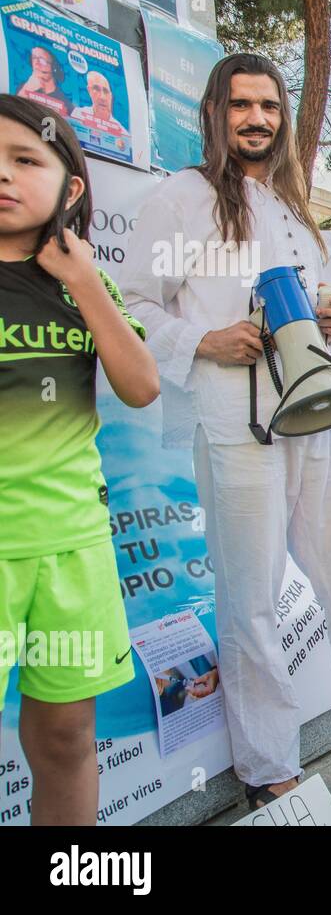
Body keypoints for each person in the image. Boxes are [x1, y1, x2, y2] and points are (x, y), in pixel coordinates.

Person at [119, 54, 331, 805]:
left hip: (318, 421)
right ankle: (271, 770)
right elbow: (131, 304)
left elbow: (324, 322)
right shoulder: (182, 199)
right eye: (241, 105)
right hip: (237, 425)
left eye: (268, 106)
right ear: (214, 112)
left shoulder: (301, 217)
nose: (256, 119)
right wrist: (204, 340)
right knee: (253, 599)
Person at [0, 96, 160, 825]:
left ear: (70, 189)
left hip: (74, 546)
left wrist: (86, 282)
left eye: (24, 159)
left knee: (67, 737)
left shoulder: (82, 288)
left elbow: (141, 383)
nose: (3, 175)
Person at [16, 48, 72, 117]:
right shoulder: (23, 87)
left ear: (54, 66)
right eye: (34, 58)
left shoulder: (65, 103)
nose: (36, 62)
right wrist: (26, 89)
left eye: (42, 59)